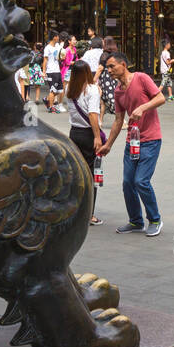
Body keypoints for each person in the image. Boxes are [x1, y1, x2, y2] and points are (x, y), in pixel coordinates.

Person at [101, 52, 166, 235]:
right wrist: (108, 145)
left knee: (141, 181)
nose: (110, 70)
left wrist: (143, 107)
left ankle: (155, 219)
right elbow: (118, 120)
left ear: (123, 64)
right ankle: (136, 221)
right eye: (107, 68)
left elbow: (160, 98)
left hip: (151, 139)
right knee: (128, 182)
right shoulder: (118, 90)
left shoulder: (141, 78)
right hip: (132, 141)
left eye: (112, 66)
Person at [66, 60, 104, 226]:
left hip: (74, 133)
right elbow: (93, 115)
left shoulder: (69, 89)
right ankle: (89, 214)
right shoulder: (92, 90)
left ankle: (74, 210)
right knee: (90, 174)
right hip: (88, 134)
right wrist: (97, 136)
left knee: (77, 173)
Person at [42, 32, 63, 112]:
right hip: (51, 71)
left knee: (59, 90)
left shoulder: (57, 46)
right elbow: (45, 60)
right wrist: (44, 72)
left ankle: (47, 99)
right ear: (54, 37)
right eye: (57, 36)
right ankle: (51, 107)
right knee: (53, 89)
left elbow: (60, 56)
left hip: (57, 70)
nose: (58, 38)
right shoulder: (47, 48)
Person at [158, 37, 174, 102]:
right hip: (166, 70)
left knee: (169, 83)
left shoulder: (162, 52)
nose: (170, 45)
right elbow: (168, 62)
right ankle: (154, 95)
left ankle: (170, 96)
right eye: (169, 44)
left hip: (164, 70)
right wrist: (172, 60)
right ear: (166, 45)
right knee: (163, 84)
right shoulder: (167, 53)